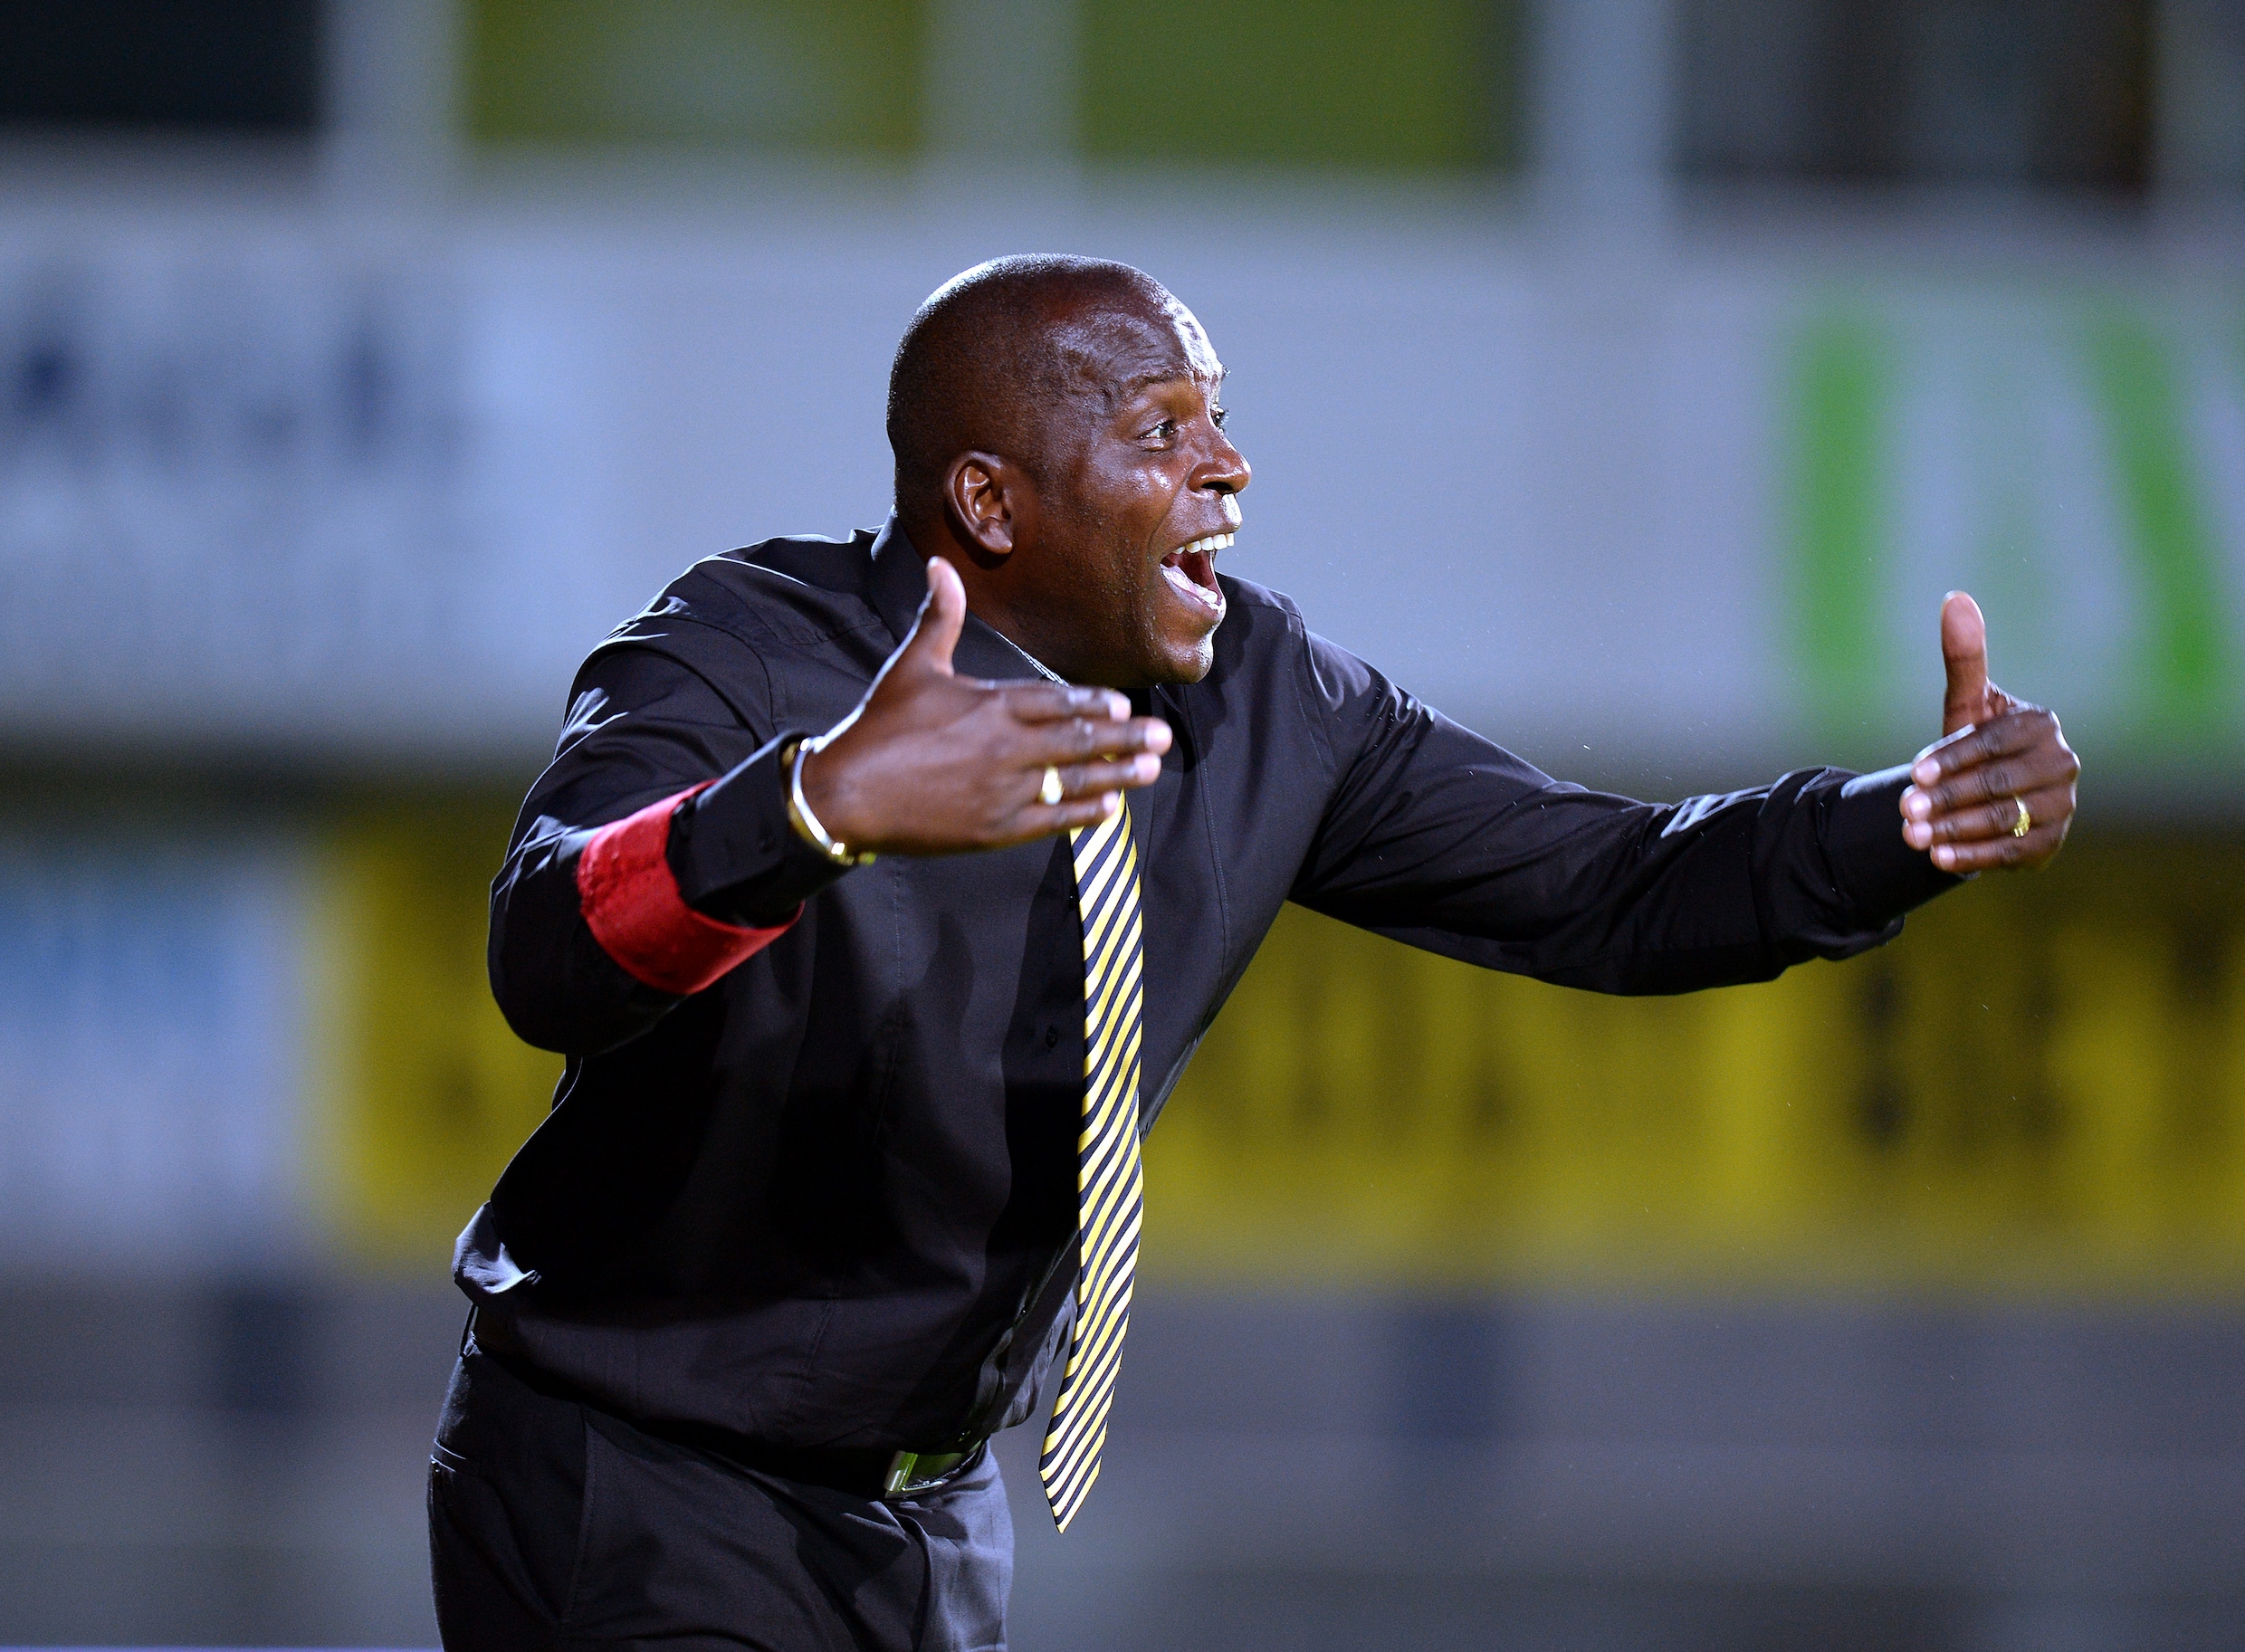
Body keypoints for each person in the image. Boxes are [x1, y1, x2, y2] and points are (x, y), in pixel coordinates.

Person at [427, 255, 2079, 1650]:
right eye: (1162, 429)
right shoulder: (748, 653)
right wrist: (809, 809)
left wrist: (1901, 821)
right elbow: (546, 945)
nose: (1227, 466)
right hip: (639, 1479)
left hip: (936, 1521)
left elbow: (1609, 883)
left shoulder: (1273, 699)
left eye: (1221, 420)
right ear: (987, 500)